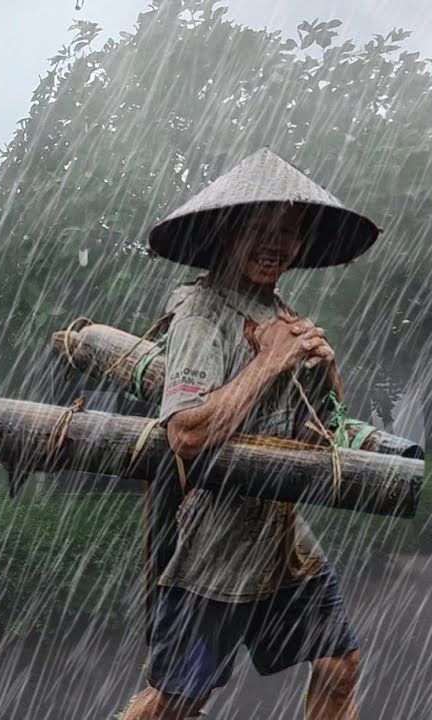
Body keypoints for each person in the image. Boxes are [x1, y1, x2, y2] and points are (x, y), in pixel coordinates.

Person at [121, 149, 377, 720]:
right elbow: (186, 433)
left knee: (339, 665)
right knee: (177, 700)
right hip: (213, 544)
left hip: (279, 537)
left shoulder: (278, 312)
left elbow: (313, 440)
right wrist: (267, 364)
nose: (276, 242)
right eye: (259, 228)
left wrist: (325, 373)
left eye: (288, 230)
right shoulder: (201, 314)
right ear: (227, 232)